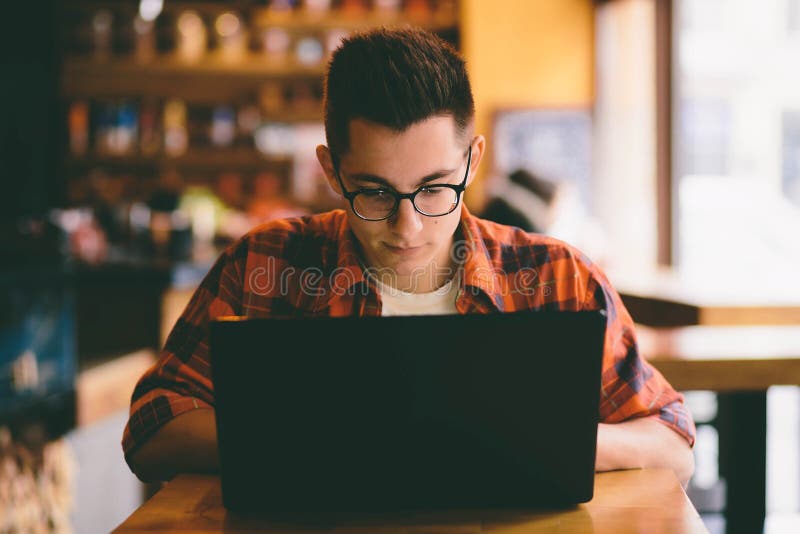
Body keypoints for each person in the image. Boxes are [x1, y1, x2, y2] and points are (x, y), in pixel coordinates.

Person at [123, 28, 695, 486]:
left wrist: (541, 440)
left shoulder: (557, 278)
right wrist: (324, 445)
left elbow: (673, 444)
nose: (408, 225)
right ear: (331, 170)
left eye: (434, 188)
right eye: (374, 191)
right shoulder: (265, 265)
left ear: (473, 160)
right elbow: (150, 432)